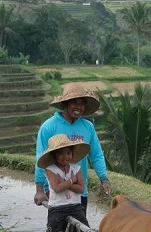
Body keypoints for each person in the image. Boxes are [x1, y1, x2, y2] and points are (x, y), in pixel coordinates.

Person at [34, 83, 111, 211]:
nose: (78, 107)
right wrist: (40, 189)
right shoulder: (49, 127)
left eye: (82, 103)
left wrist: (104, 179)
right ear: (66, 103)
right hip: (56, 190)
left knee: (78, 229)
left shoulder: (88, 127)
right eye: (74, 102)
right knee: (58, 228)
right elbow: (40, 159)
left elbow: (96, 155)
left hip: (79, 189)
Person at [32, 134, 91, 232]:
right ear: (54, 155)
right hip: (57, 209)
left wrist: (65, 183)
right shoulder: (50, 169)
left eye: (68, 153)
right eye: (61, 153)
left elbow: (81, 188)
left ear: (72, 153)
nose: (65, 157)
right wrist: (72, 181)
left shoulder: (76, 167)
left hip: (75, 207)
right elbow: (57, 188)